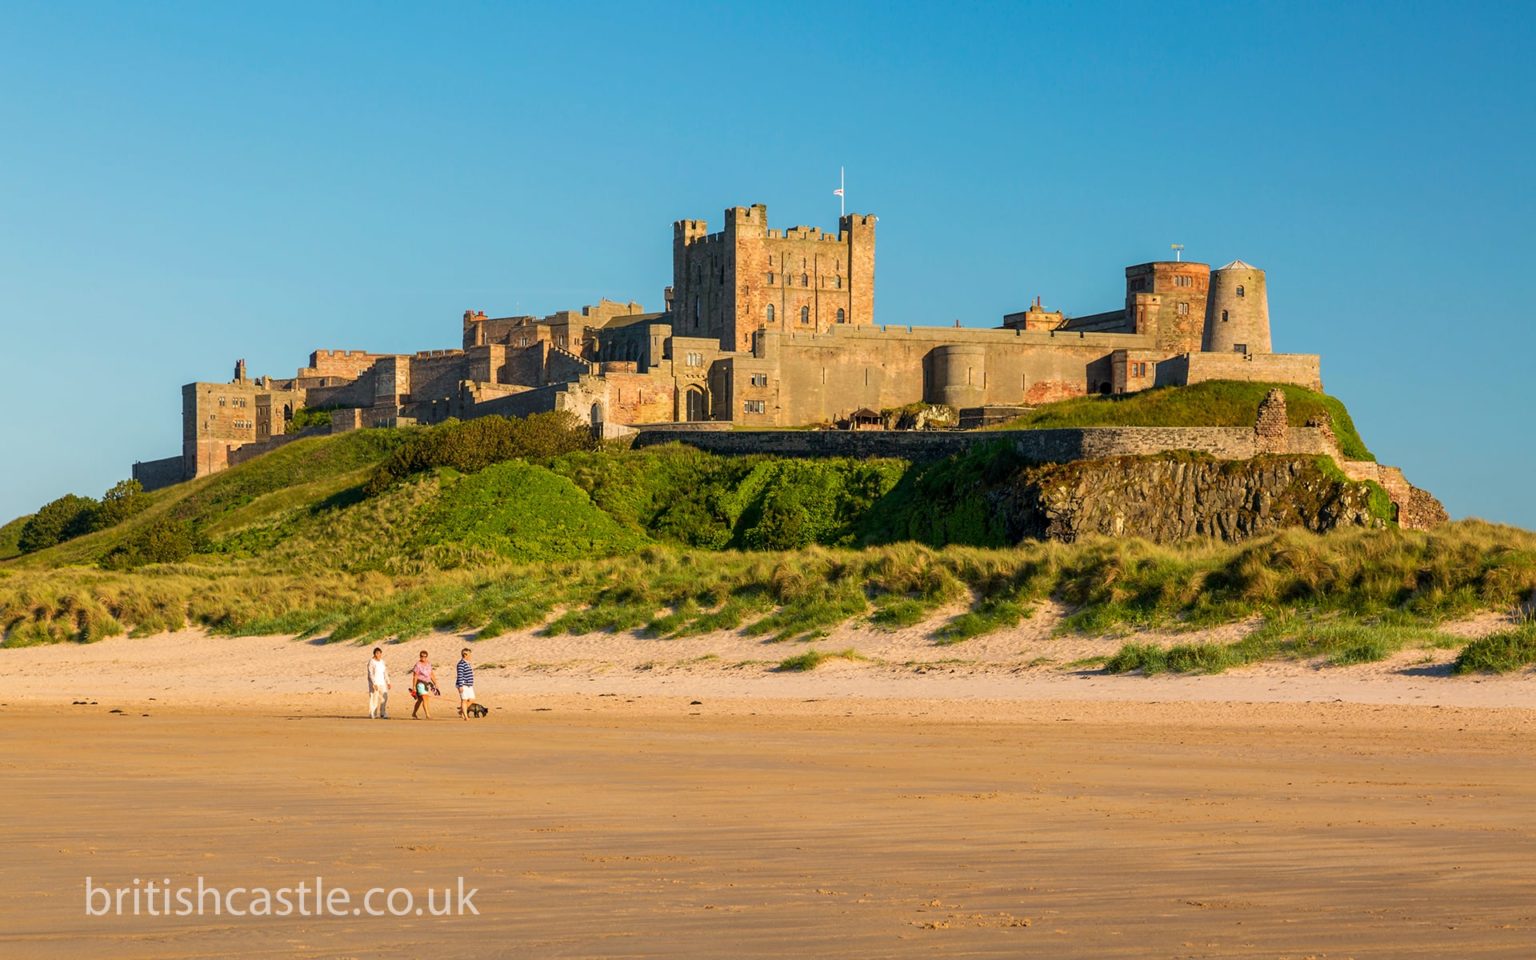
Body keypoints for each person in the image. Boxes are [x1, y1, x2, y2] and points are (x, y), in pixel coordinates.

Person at [409, 650, 437, 720]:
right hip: (420, 683)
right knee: (425, 697)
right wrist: (414, 687)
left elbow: (431, 674)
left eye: (424, 656)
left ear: (426, 657)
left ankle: (414, 713)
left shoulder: (428, 664)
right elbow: (415, 676)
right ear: (420, 656)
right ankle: (427, 715)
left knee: (420, 700)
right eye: (421, 656)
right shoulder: (418, 665)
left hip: (426, 683)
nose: (423, 658)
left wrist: (435, 683)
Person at [367, 647, 390, 719]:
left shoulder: (382, 662)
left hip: (382, 682)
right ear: (374, 654)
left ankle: (382, 713)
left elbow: (385, 672)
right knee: (374, 698)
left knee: (384, 698)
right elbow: (370, 673)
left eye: (380, 653)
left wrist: (388, 682)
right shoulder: (371, 662)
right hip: (375, 683)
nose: (379, 654)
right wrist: (373, 683)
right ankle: (373, 713)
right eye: (377, 653)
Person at [456, 648, 476, 720]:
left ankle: (461, 711)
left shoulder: (467, 663)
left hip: (469, 684)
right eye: (469, 654)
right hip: (463, 684)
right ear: (465, 655)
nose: (470, 656)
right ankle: (465, 716)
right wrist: (460, 686)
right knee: (464, 700)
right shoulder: (461, 664)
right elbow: (460, 675)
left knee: (472, 699)